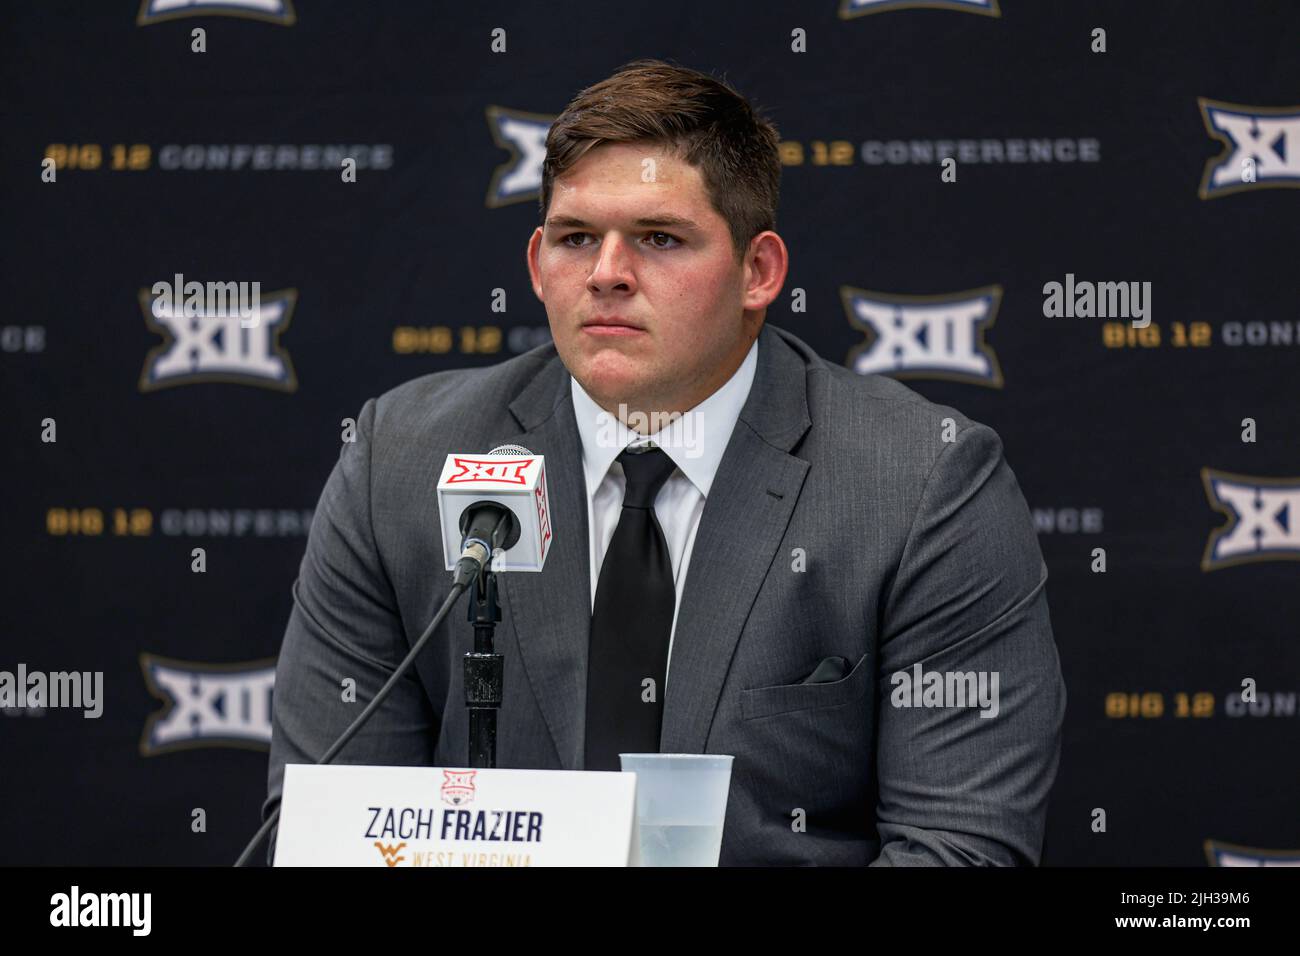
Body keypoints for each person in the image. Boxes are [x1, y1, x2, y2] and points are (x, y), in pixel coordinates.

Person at [263, 58, 1066, 866]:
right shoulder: (398, 461)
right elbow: (330, 831)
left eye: (659, 238)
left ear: (758, 273)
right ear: (538, 264)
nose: (608, 273)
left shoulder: (922, 483)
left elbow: (961, 851)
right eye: (577, 238)